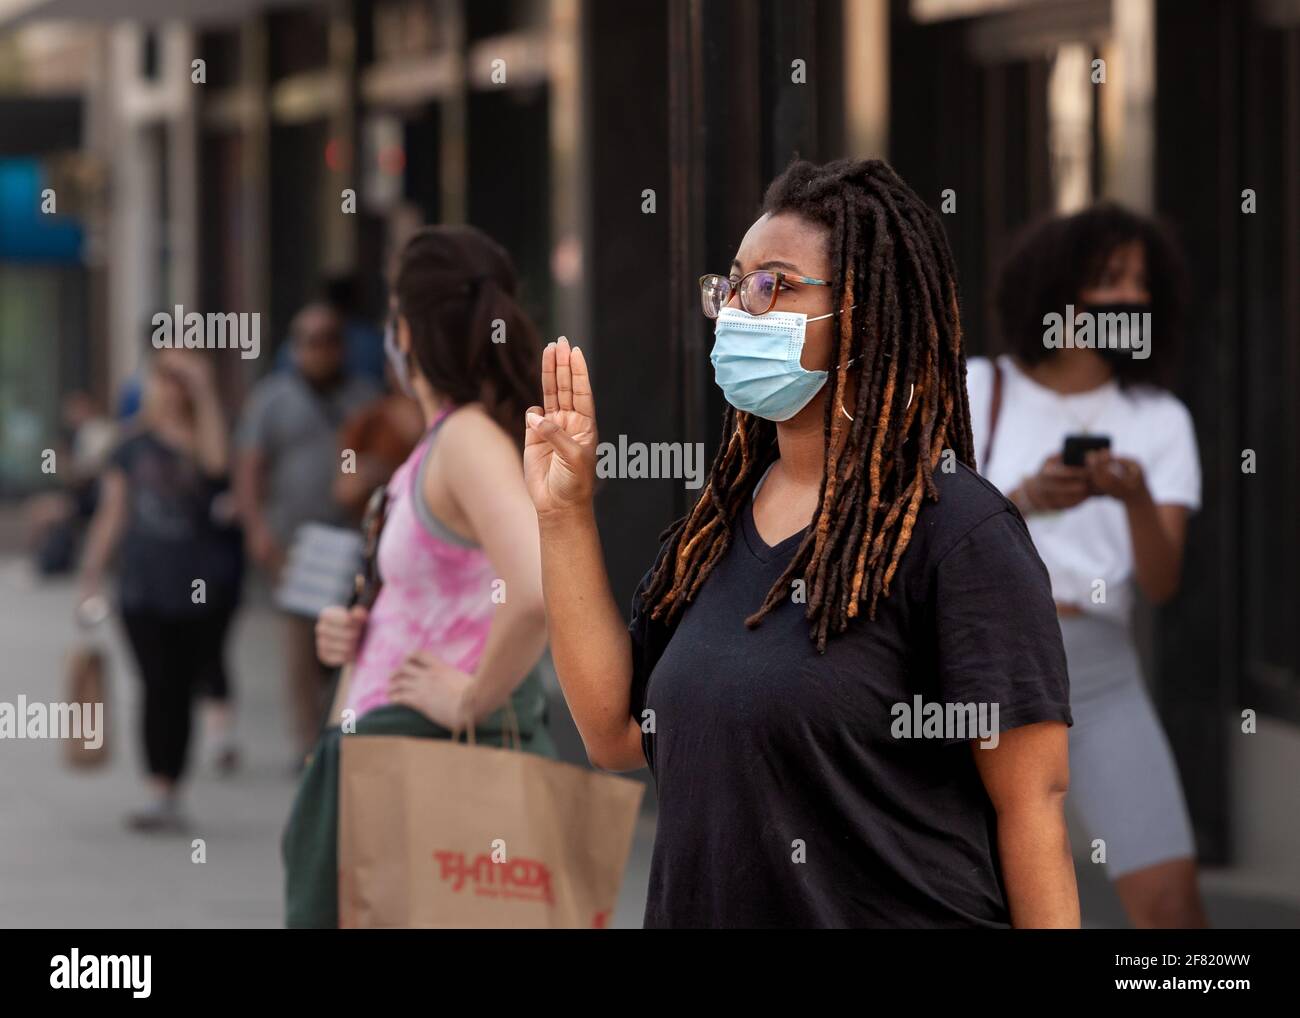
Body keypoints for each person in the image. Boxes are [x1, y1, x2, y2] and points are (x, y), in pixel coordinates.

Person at [525, 157, 1078, 928]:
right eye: (734, 286)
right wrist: (564, 514)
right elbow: (615, 731)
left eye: (774, 284)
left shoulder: (958, 533)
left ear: (863, 314)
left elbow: (1034, 810)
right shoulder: (714, 530)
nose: (739, 311)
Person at [284, 225, 552, 927]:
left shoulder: (466, 439)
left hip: (422, 766)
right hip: (387, 758)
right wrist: (359, 631)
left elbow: (538, 589)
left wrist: (470, 699)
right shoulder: (443, 441)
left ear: (407, 329)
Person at [966, 204, 1207, 928]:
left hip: (1098, 673)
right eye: (1109, 278)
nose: (1130, 295)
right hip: (984, 663)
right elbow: (921, 538)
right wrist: (1025, 499)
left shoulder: (1159, 418)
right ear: (1056, 288)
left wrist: (1134, 498)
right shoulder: (978, 388)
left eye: (1140, 280)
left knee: (1170, 906)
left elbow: (1162, 582)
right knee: (976, 895)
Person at [78, 347, 243, 830]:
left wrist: (204, 388)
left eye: (179, 376)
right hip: (142, 586)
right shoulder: (130, 446)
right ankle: (158, 787)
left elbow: (217, 467)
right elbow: (112, 514)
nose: (171, 385)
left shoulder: (206, 436)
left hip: (198, 586)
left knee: (184, 687)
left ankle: (173, 782)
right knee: (156, 684)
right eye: (164, 375)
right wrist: (90, 574)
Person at [234, 304, 379, 761]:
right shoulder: (272, 399)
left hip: (353, 540)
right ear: (295, 347)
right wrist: (256, 527)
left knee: (349, 640)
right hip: (295, 543)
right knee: (301, 644)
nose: (319, 352)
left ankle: (340, 729)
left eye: (328, 341)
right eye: (309, 342)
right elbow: (250, 467)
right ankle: (307, 743)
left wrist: (369, 476)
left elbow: (393, 458)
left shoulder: (365, 398)